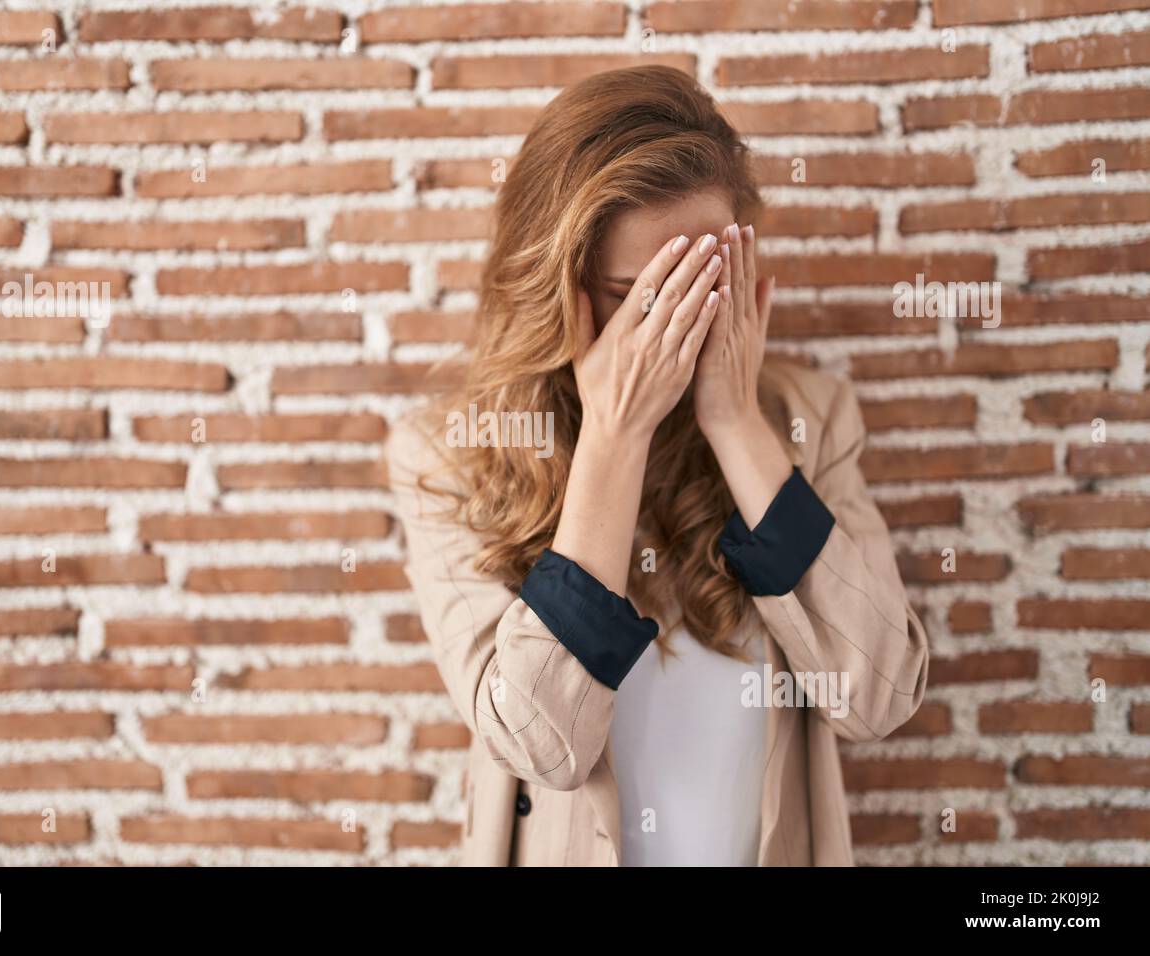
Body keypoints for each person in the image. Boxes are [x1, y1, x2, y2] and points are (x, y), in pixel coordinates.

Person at [386, 66, 929, 867]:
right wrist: (613, 436)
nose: (678, 327)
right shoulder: (452, 456)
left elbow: (877, 697)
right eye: (641, 297)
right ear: (557, 289)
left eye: (703, 284)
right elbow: (541, 747)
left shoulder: (810, 422)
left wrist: (737, 424)